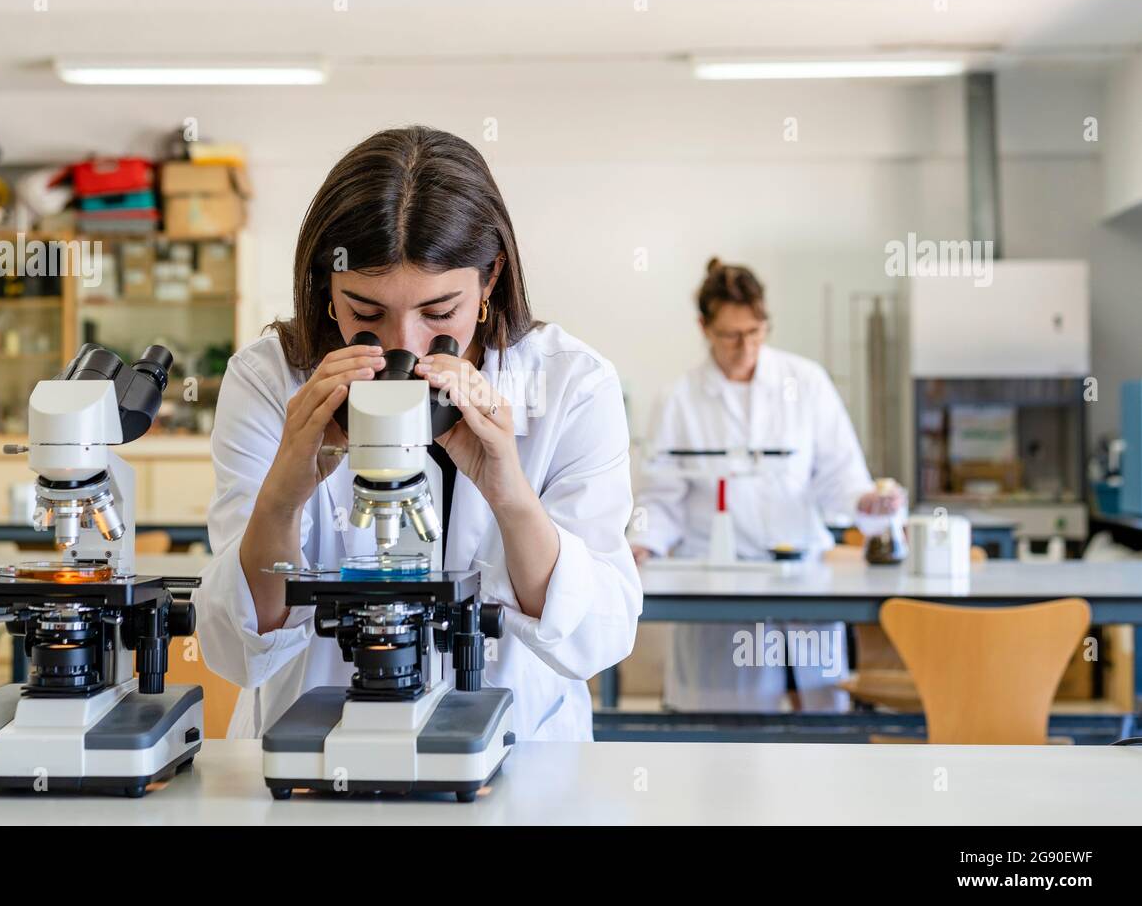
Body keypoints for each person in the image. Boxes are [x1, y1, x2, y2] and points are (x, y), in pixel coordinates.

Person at [193, 126, 641, 741]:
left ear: (489, 282)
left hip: (520, 760)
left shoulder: (572, 383)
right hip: (313, 759)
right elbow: (236, 649)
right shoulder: (271, 379)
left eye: (439, 313)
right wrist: (282, 496)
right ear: (327, 287)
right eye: (366, 313)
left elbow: (597, 637)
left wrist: (510, 496)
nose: (403, 347)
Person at [628, 257, 902, 711]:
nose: (745, 346)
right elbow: (662, 496)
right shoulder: (679, 398)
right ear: (703, 327)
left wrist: (868, 502)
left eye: (755, 332)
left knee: (819, 731)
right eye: (730, 336)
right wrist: (644, 542)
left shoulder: (806, 382)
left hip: (800, 579)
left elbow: (841, 476)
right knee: (724, 745)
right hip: (717, 585)